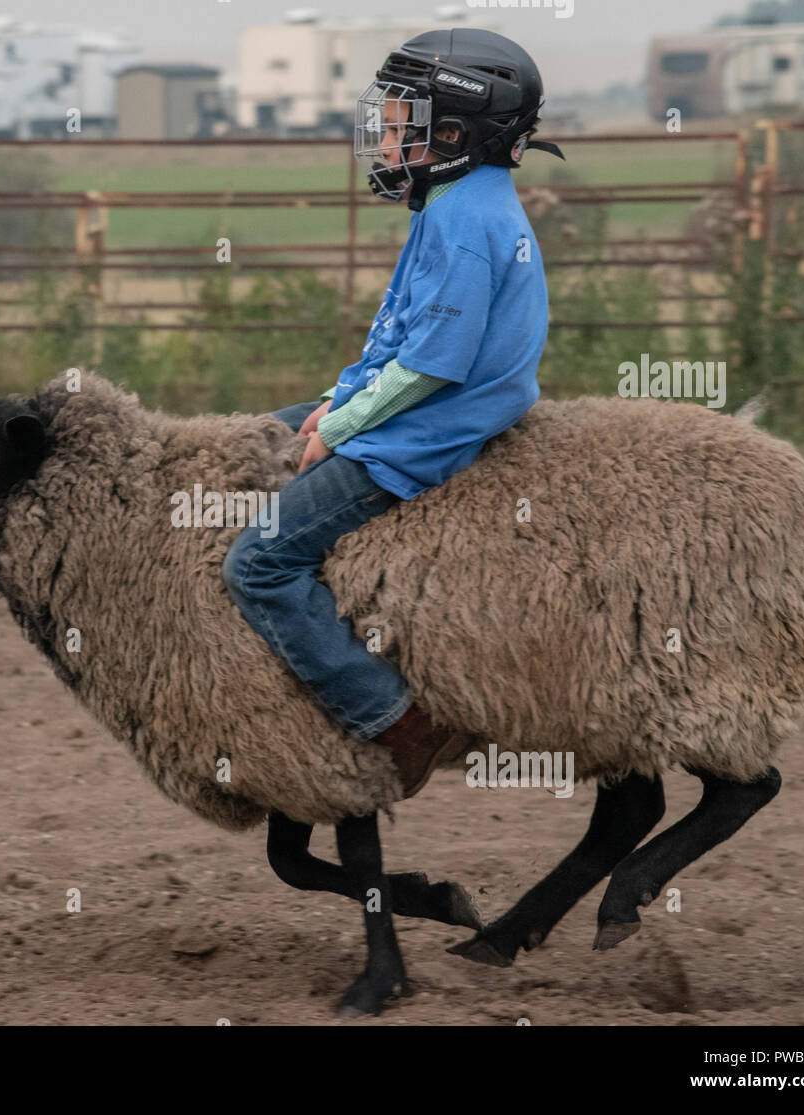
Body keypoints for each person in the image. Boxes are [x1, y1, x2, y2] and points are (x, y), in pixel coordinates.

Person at [223, 27, 563, 799]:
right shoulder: (455, 200)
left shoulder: (462, 222)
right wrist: (332, 402)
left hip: (424, 438)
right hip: (406, 410)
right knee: (259, 436)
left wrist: (341, 428)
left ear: (455, 132)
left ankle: (394, 722)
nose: (384, 134)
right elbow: (400, 341)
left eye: (403, 119)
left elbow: (433, 364)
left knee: (260, 563)